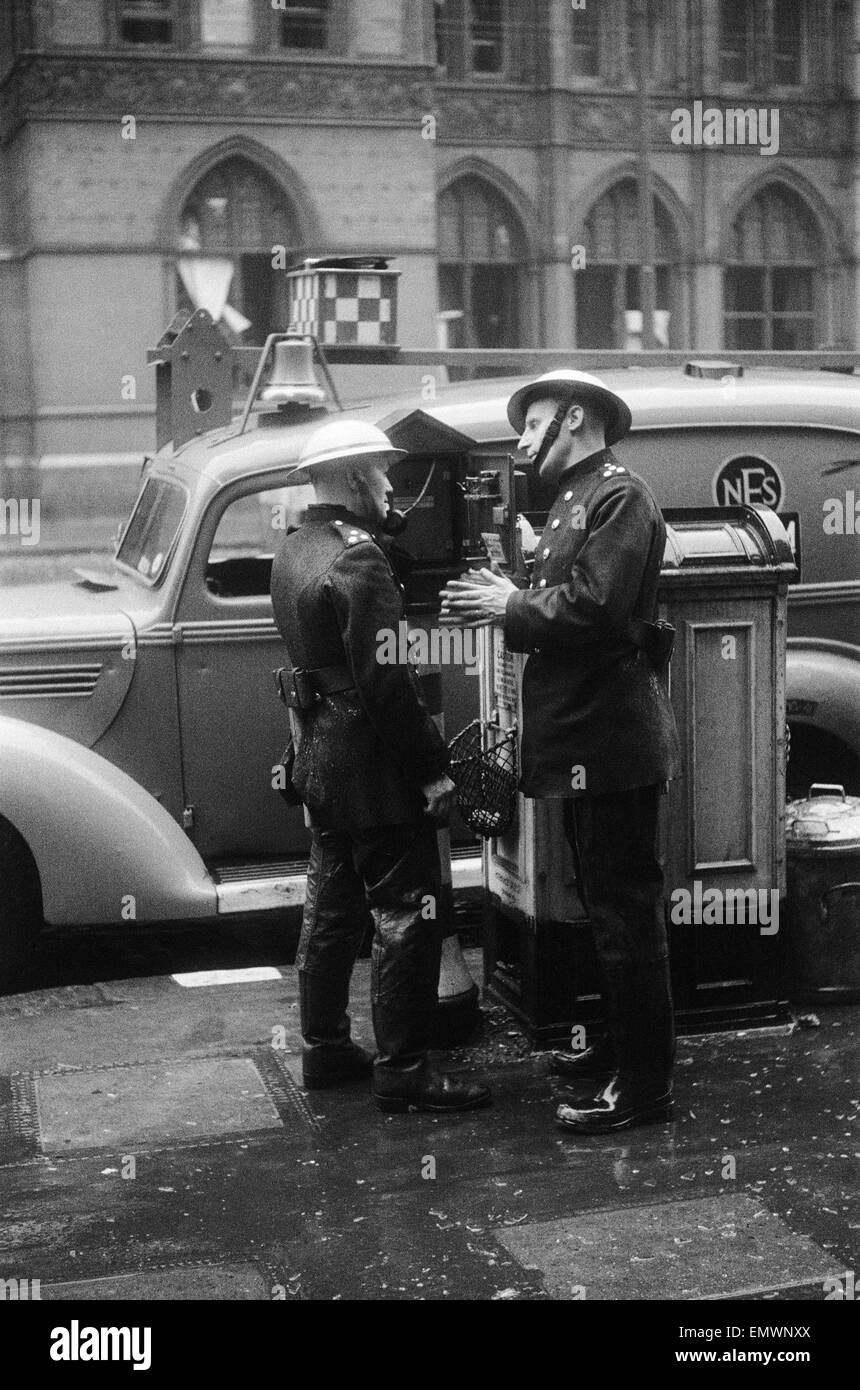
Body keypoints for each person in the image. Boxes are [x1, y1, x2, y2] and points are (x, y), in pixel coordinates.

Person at [439, 370, 681, 1133]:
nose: (519, 440)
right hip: (587, 739)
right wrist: (507, 596)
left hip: (611, 743)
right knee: (606, 909)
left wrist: (508, 603)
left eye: (532, 421)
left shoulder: (620, 495)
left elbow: (596, 609)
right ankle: (615, 1051)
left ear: (574, 418)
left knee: (624, 915)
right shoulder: (580, 498)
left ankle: (642, 1087)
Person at [270, 418, 491, 1114]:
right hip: (372, 767)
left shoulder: (294, 551)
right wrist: (432, 770)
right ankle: (403, 1068)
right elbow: (388, 683)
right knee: (405, 911)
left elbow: (310, 668)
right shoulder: (362, 560)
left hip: (321, 758)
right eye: (382, 471)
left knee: (331, 906)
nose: (392, 484)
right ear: (355, 477)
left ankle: (326, 1047)